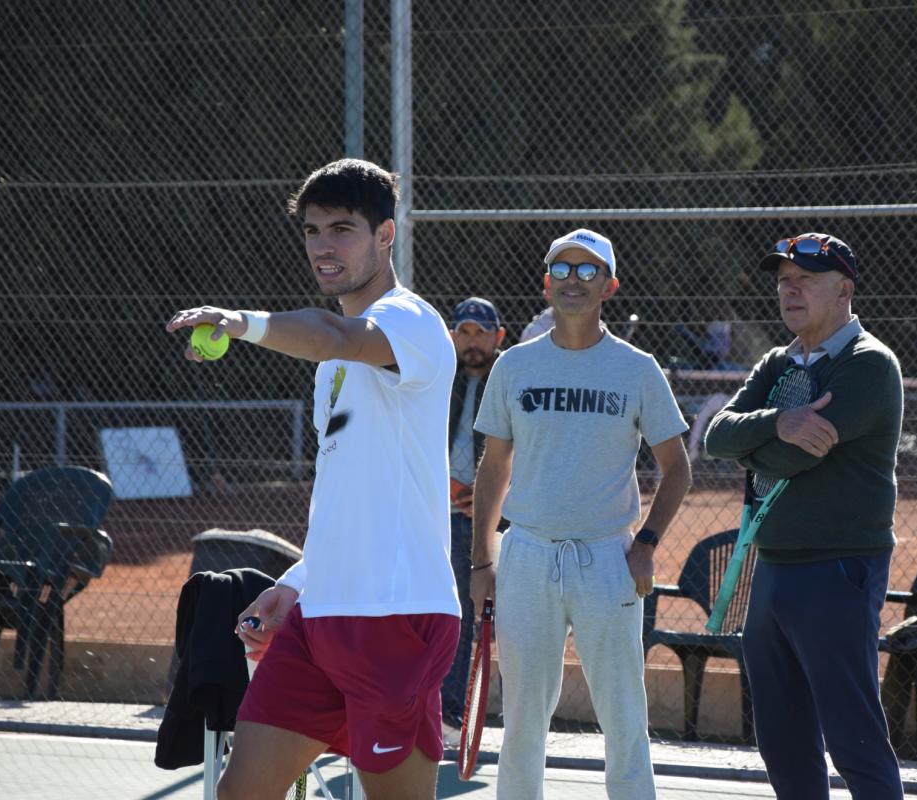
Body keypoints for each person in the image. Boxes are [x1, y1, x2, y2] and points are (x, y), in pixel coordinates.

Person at [165, 158, 459, 800]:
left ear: (385, 236)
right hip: (321, 615)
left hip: (397, 616)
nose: (324, 246)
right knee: (240, 791)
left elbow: (334, 332)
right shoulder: (331, 369)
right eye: (313, 230)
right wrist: (297, 583)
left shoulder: (411, 323)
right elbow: (350, 498)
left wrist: (241, 323)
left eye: (343, 229)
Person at [469, 228, 692, 799]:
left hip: (607, 558)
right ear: (546, 282)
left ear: (609, 286)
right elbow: (493, 468)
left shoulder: (637, 368)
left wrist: (646, 544)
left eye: (588, 271)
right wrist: (481, 562)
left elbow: (678, 467)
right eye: (562, 269)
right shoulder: (513, 366)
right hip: (527, 554)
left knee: (622, 715)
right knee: (521, 719)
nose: (574, 280)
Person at [704, 233, 905, 799]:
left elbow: (795, 457)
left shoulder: (868, 365)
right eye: (782, 281)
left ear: (844, 290)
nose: (789, 291)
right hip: (772, 570)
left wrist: (765, 437)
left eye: (805, 280)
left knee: (854, 740)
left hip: (839, 570)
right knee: (783, 741)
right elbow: (717, 436)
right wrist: (778, 422)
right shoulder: (777, 362)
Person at [441, 295, 505, 738]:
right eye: (464, 331)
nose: (472, 341)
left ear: (499, 337)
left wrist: (492, 498)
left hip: (493, 521)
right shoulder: (440, 380)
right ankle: (442, 710)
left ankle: (456, 711)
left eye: (481, 332)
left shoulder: (511, 380)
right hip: (437, 519)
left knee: (477, 615)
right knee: (442, 612)